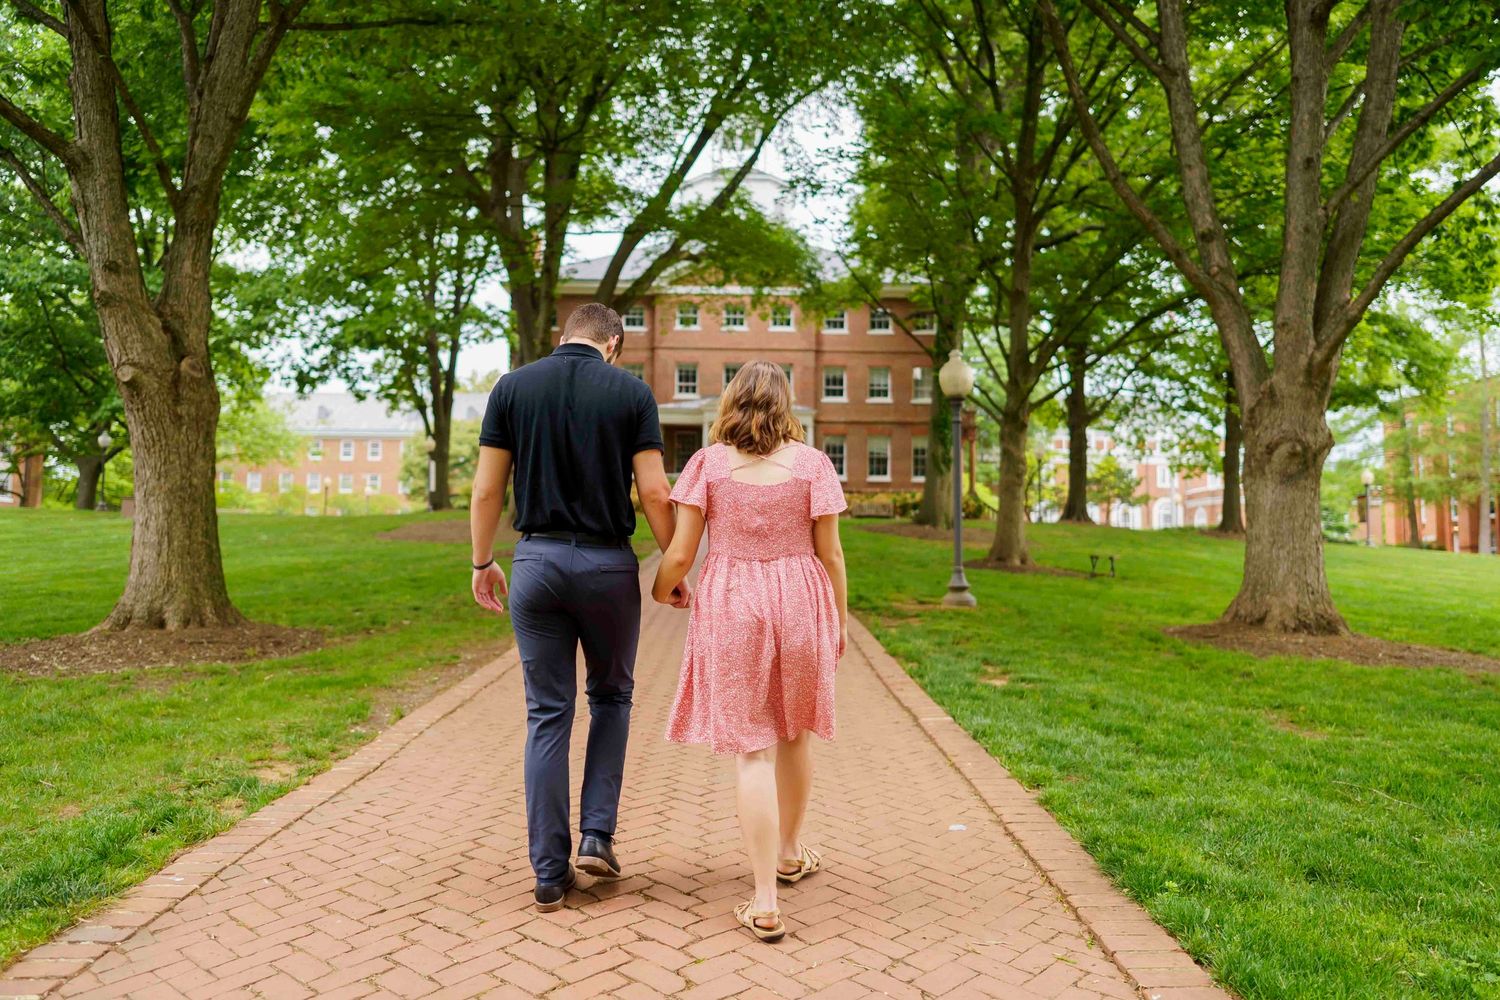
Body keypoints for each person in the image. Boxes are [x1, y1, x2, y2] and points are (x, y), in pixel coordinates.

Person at [469, 302, 689, 913]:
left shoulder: (511, 388)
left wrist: (483, 561)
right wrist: (673, 567)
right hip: (606, 565)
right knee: (611, 698)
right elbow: (654, 491)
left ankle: (548, 873)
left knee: (547, 712)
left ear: (561, 336)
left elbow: (487, 489)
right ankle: (596, 835)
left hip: (536, 562)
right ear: (614, 343)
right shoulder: (631, 393)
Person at [651, 360, 848, 942]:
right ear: (785, 405)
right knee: (796, 733)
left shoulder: (707, 463)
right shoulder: (813, 465)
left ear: (731, 401)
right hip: (801, 600)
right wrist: (839, 620)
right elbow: (832, 555)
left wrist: (662, 590)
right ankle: (788, 852)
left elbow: (681, 553)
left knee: (752, 753)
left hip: (733, 602)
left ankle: (765, 901)